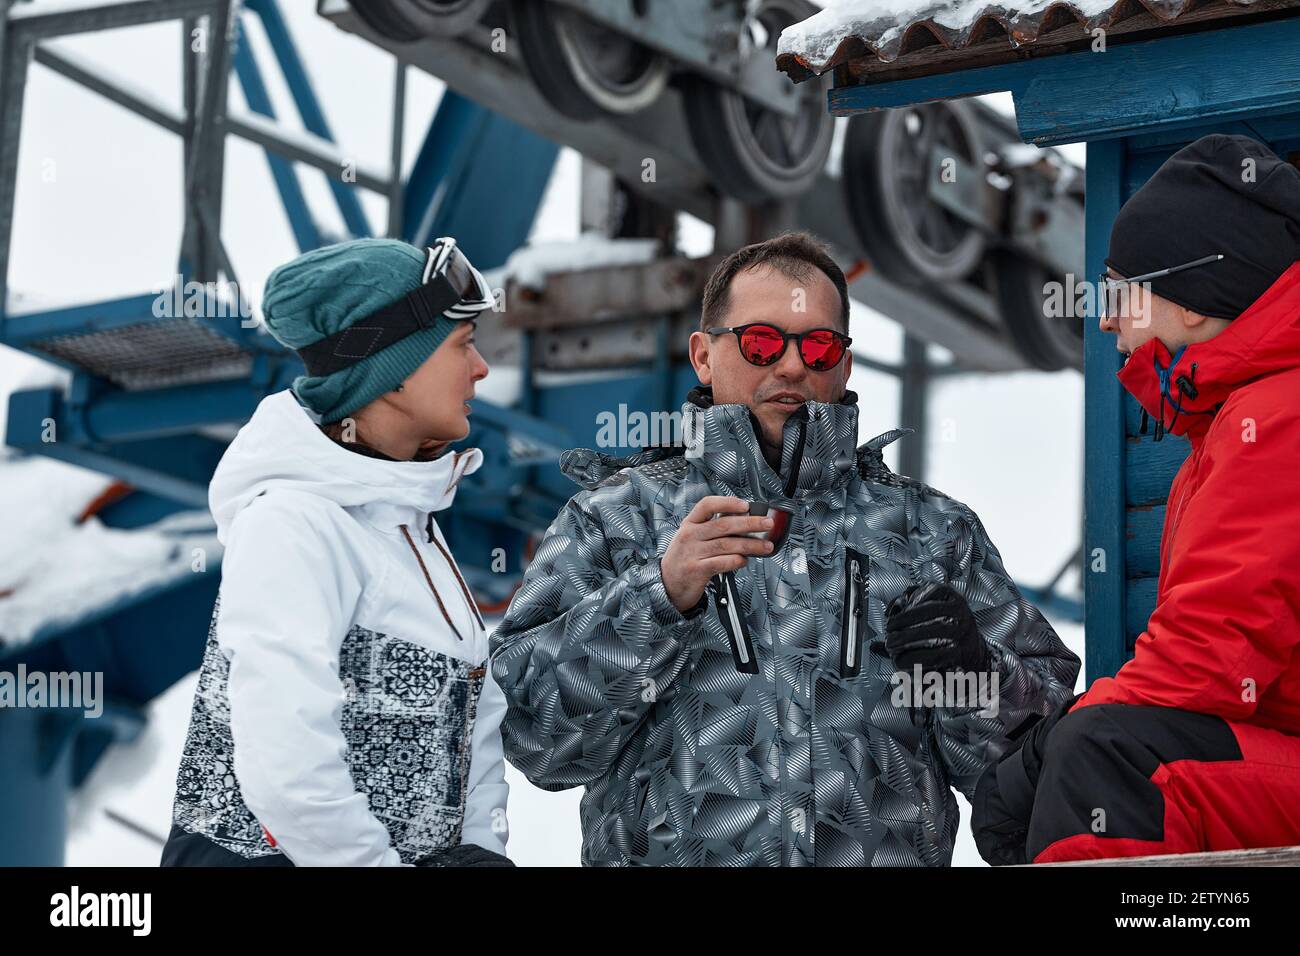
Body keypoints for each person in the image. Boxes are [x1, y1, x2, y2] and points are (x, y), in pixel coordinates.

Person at [490, 230, 1079, 866]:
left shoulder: (930, 531)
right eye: (762, 342)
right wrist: (656, 599)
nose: (792, 366)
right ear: (703, 356)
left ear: (846, 363)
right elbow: (536, 738)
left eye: (820, 347)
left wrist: (975, 673)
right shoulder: (614, 521)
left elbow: (1030, 778)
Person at [973, 134, 1300, 864]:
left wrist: (1050, 750)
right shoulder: (1234, 424)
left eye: (1121, 290)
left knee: (1110, 759)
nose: (1108, 318)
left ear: (1193, 296)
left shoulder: (1278, 418)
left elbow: (1207, 659)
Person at [161, 237, 512, 867]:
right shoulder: (293, 524)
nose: (482, 368)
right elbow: (286, 767)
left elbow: (476, 731)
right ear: (391, 367)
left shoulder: (416, 525)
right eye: (463, 344)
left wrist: (480, 851)